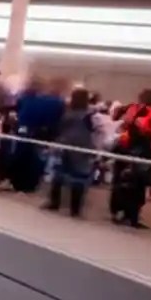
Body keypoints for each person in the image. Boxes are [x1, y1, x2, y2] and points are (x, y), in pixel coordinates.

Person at [110, 88, 151, 228]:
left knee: (120, 181)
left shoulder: (132, 108)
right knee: (139, 186)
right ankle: (133, 217)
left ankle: (116, 211)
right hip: (145, 153)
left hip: (124, 150)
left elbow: (115, 117)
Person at [45, 87, 96, 217]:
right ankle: (75, 209)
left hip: (65, 145)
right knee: (79, 178)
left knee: (59, 174)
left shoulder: (67, 113)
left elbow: (60, 129)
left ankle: (54, 202)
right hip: (83, 148)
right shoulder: (89, 116)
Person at [12, 77, 65, 193]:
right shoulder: (56, 102)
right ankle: (30, 185)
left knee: (21, 157)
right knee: (36, 160)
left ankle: (19, 184)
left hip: (24, 132)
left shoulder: (24, 99)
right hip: (42, 134)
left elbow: (18, 112)